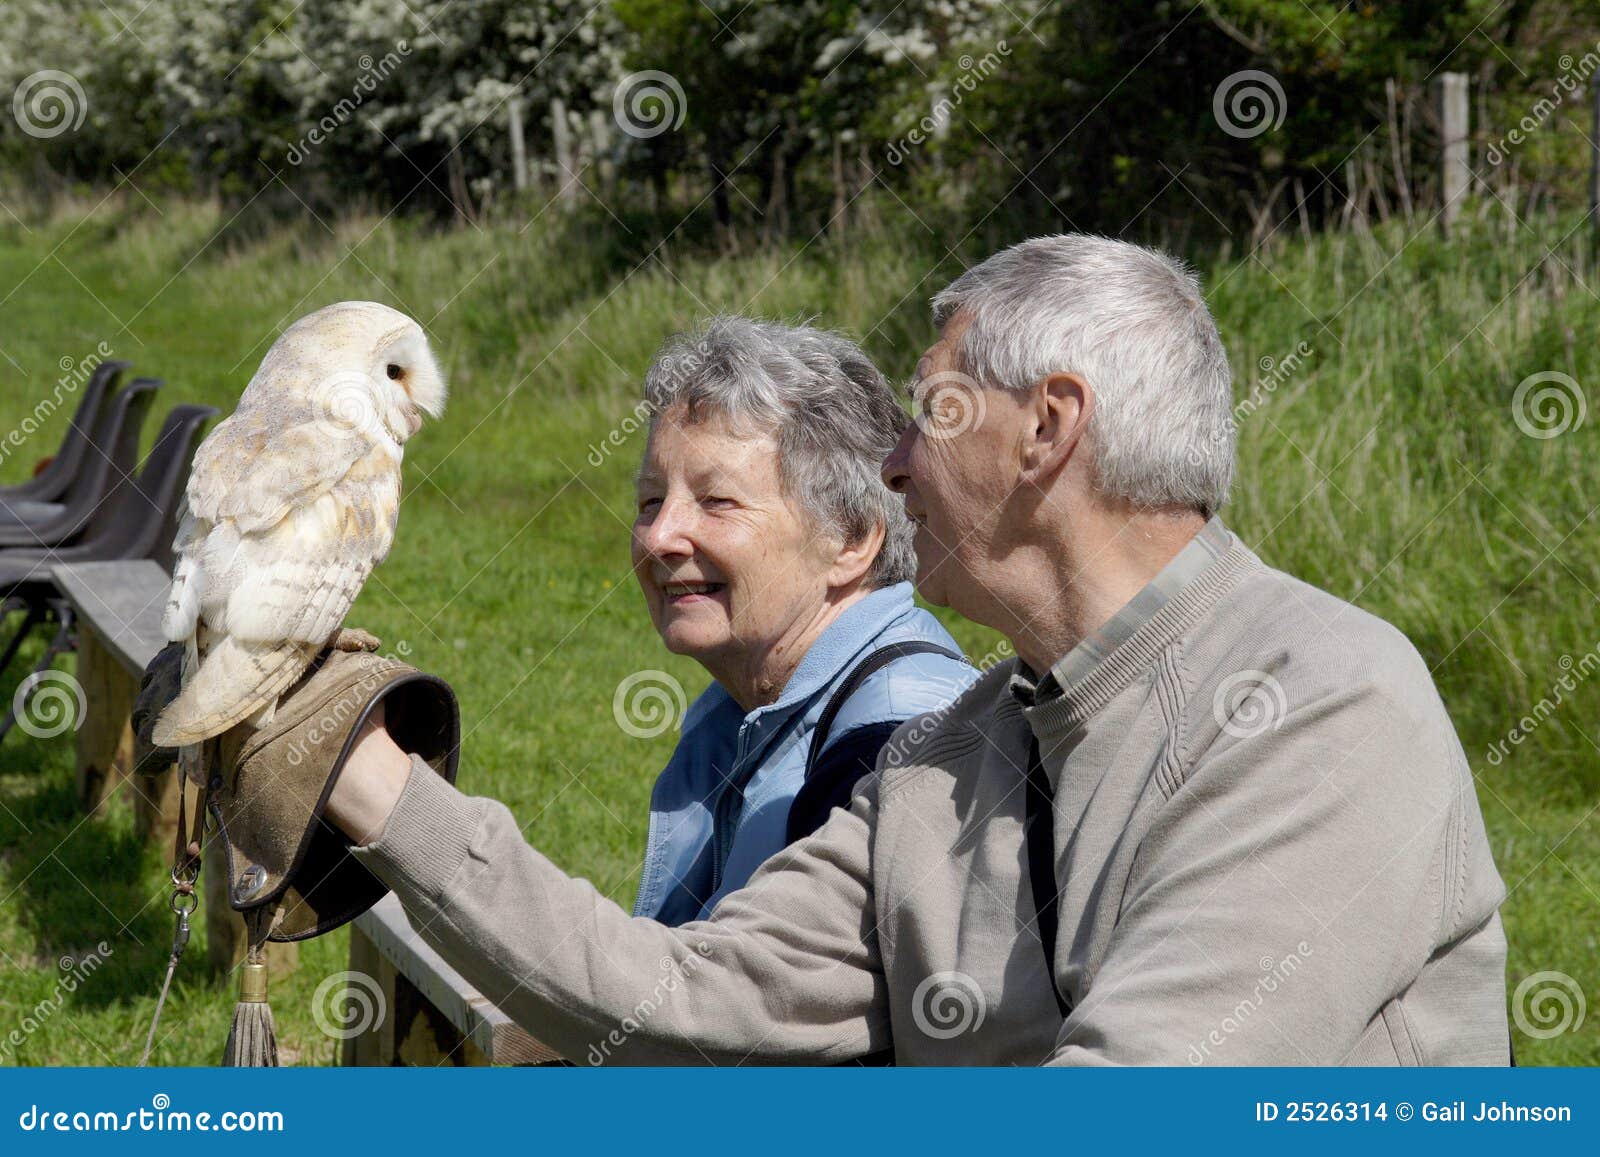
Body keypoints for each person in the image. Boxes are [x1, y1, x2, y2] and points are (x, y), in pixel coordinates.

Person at [327, 235, 1509, 1065]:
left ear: (1047, 426)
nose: (892, 467)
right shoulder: (960, 745)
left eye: (931, 410)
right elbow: (685, 997)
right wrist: (374, 778)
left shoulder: (1317, 704)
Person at [620, 316, 975, 923]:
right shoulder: (747, 709)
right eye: (652, 501)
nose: (659, 537)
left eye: (716, 501)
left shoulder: (895, 745)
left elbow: (757, 1004)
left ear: (850, 539)